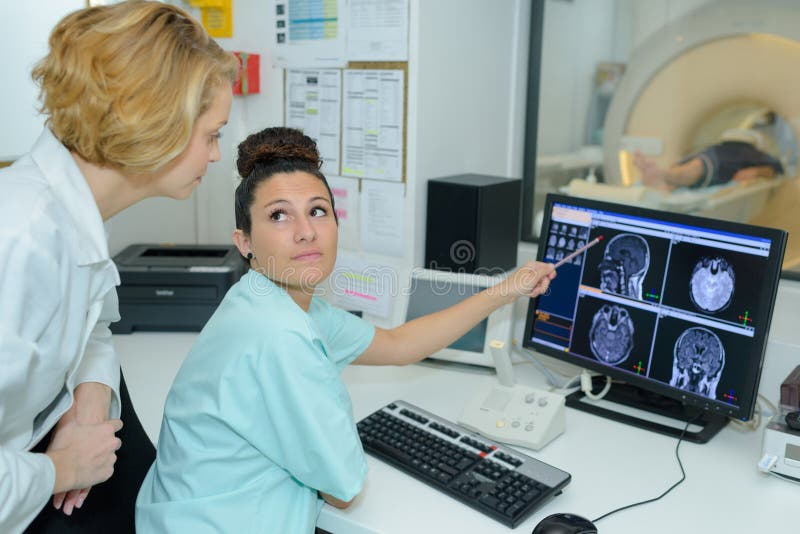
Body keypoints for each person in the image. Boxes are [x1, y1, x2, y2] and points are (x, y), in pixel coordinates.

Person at [135, 127, 556, 532]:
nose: (306, 232)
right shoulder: (281, 338)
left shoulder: (266, 298)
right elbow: (344, 488)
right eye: (279, 215)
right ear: (244, 242)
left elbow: (398, 343)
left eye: (318, 210)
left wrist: (507, 289)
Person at [0, 2, 239, 532]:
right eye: (212, 134)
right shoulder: (21, 240)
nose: (216, 155)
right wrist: (58, 469)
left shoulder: (73, 211)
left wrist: (91, 393)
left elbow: (93, 326)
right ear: (157, 122)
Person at [634, 128, 784, 191]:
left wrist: (756, 171)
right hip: (717, 158)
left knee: (697, 164)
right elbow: (776, 168)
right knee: (700, 165)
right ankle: (664, 176)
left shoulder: (752, 152)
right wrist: (757, 171)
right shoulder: (755, 154)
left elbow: (775, 169)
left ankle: (664, 176)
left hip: (711, 154)